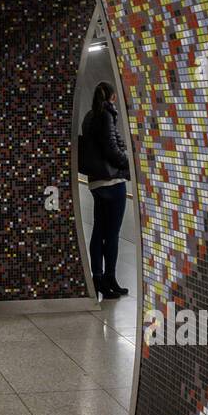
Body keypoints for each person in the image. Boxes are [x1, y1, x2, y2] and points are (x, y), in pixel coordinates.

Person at [79, 81, 130, 299]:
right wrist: (126, 163)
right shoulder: (107, 115)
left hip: (95, 182)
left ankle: (97, 278)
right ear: (111, 96)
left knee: (99, 230)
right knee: (112, 234)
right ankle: (110, 278)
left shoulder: (89, 116)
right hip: (112, 181)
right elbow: (111, 147)